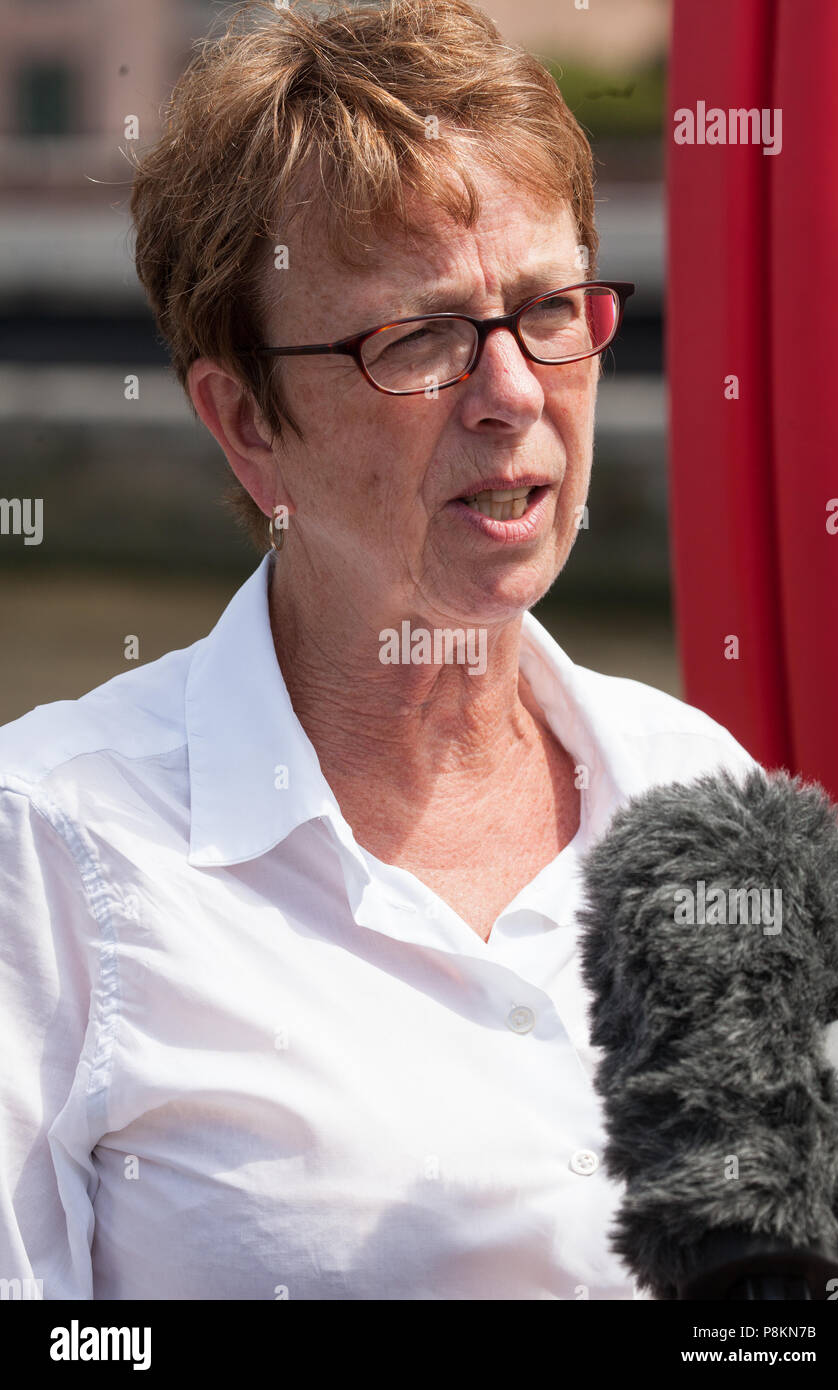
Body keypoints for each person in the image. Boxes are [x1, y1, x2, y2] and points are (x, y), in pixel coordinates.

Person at [0, 0, 757, 1300]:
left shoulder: (705, 790)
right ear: (247, 424)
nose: (513, 389)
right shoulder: (54, 852)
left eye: (547, 308)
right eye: (421, 336)